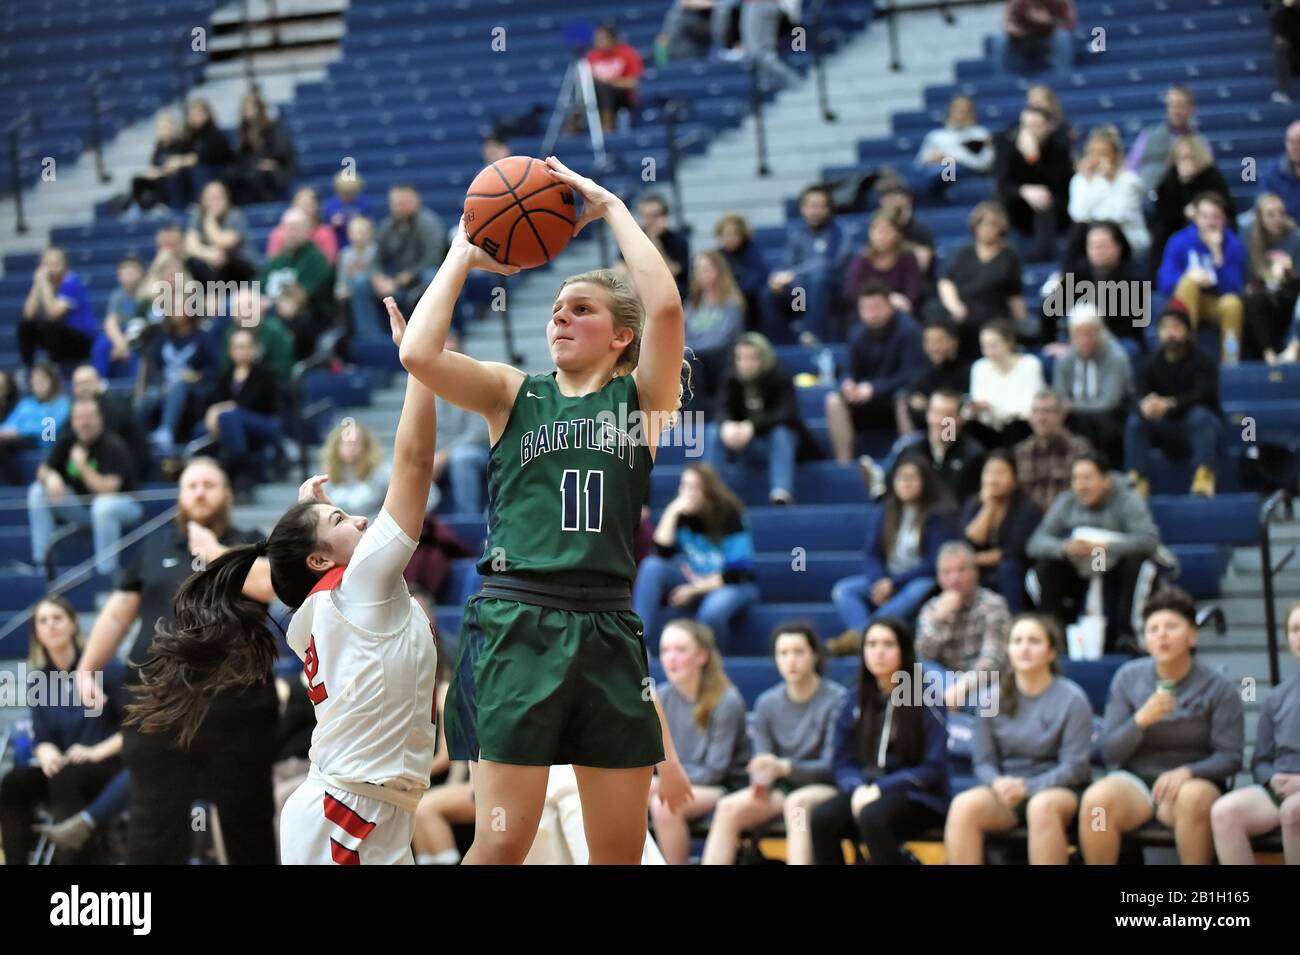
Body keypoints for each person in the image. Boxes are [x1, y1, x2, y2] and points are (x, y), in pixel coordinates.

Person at [397, 156, 695, 863]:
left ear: (621, 337)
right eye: (556, 308)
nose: (561, 316)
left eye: (581, 309)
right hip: (517, 621)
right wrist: (463, 253)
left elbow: (666, 308)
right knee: (502, 848)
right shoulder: (512, 393)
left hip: (609, 623)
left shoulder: (641, 403)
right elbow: (418, 350)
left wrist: (611, 207)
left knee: (618, 855)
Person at [122, 295, 440, 864]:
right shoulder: (361, 585)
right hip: (346, 814)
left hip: (367, 808)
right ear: (322, 561)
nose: (363, 518)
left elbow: (305, 558)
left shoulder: (319, 601)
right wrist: (417, 363)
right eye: (343, 518)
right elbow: (414, 463)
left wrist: (309, 516)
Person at [72, 459, 276, 864]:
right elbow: (117, 614)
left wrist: (217, 554)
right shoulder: (155, 547)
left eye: (209, 485)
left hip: (237, 709)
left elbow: (269, 586)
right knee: (153, 827)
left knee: (248, 825)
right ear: (180, 497)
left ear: (228, 495)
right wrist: (86, 667)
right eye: (191, 486)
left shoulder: (252, 543)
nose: (199, 492)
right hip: (158, 709)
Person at [1080, 588, 1244, 865]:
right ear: (1145, 639)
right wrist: (1140, 720)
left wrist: (1189, 771)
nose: (1162, 634)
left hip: (1192, 782)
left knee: (1194, 799)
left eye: (1171, 626)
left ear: (1192, 636)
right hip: (1135, 783)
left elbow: (1231, 757)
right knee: (1096, 803)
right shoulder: (1128, 677)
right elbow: (1107, 752)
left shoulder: (1218, 686)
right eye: (1153, 629)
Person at [943, 614, 1093, 864]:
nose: (1024, 647)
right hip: (1007, 791)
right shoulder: (990, 698)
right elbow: (983, 762)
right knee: (963, 805)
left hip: (1059, 789)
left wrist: (1028, 787)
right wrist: (998, 783)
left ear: (1051, 652)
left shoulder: (1072, 698)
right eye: (1017, 640)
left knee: (1041, 807)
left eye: (1034, 641)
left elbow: (1075, 767)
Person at [700, 622, 847, 865]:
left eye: (798, 652)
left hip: (825, 785)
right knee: (727, 807)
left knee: (796, 807)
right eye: (783, 653)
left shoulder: (836, 699)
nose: (791, 661)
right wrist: (761, 776)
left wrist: (783, 767)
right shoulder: (767, 703)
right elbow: (763, 758)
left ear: (815, 655)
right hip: (782, 786)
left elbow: (831, 765)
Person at [0, 597, 127, 865]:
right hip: (68, 771)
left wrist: (94, 752)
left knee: (65, 776)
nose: (51, 625)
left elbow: (136, 729)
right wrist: (48, 755)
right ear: (37, 634)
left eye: (57, 618)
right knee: (14, 781)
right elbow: (43, 737)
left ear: (73, 625)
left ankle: (80, 863)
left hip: (109, 766)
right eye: (43, 621)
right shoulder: (41, 681)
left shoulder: (104, 667)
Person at [811, 618, 949, 864]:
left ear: (903, 651)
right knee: (822, 818)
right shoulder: (852, 700)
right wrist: (857, 788)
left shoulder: (927, 700)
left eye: (888, 644)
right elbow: (842, 761)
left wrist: (880, 789)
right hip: (865, 791)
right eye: (872, 644)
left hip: (918, 797)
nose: (879, 652)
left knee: (872, 817)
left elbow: (933, 768)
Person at [1026, 452, 1160, 651]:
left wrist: (1105, 546)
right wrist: (1064, 548)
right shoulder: (1066, 500)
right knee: (1044, 568)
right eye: (1076, 479)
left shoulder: (1127, 497)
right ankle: (1053, 638)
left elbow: (1149, 540)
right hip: (1082, 565)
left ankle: (1128, 636)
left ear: (1106, 480)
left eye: (1087, 478)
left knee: (1136, 563)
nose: (1081, 485)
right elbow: (1035, 543)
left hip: (1114, 562)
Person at [829, 455, 955, 652]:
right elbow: (871, 553)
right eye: (901, 478)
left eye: (912, 478)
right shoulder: (885, 510)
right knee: (844, 590)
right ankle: (865, 638)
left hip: (917, 578)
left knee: (918, 589)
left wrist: (894, 583)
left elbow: (934, 562)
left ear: (924, 480)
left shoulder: (938, 514)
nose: (906, 483)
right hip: (888, 577)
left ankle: (863, 637)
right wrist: (879, 581)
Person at [650, 620, 750, 864]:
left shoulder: (726, 700)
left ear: (702, 655)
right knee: (628, 795)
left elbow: (716, 771)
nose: (671, 658)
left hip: (726, 788)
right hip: (681, 782)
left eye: (680, 650)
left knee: (666, 803)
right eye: (665, 650)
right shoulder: (660, 696)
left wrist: (663, 780)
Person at [1210, 601, 1300, 864]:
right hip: (1283, 789)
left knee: (1294, 812)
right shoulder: (1278, 696)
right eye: (1295, 629)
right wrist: (1273, 779)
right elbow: (1260, 760)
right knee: (1224, 812)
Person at [634, 464, 759, 651]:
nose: (688, 493)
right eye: (684, 486)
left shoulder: (730, 514)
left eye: (694, 487)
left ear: (709, 491)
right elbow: (660, 553)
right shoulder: (682, 515)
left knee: (711, 613)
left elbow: (737, 572)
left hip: (732, 585)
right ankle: (637, 643)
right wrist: (672, 511)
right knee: (652, 566)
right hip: (694, 577)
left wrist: (693, 590)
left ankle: (712, 665)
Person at [28, 398, 142, 577]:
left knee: (103, 506)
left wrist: (82, 467)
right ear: (72, 421)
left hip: (124, 507)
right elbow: (43, 469)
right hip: (84, 510)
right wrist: (50, 476)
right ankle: (42, 564)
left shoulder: (113, 444)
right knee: (38, 491)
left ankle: (106, 574)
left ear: (100, 419)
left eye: (89, 417)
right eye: (79, 418)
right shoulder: (68, 442)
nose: (84, 423)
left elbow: (109, 490)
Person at [706, 332, 824, 505]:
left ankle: (781, 493)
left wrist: (752, 427)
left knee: (782, 432)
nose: (745, 364)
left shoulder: (780, 374)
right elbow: (721, 408)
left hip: (778, 446)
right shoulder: (731, 377)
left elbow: (788, 413)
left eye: (752, 358)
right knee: (714, 431)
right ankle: (710, 493)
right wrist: (727, 425)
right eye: (741, 358)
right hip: (744, 446)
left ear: (764, 358)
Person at [1125, 307, 1223, 498]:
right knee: (1136, 421)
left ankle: (1204, 475)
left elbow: (1204, 395)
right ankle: (1137, 479)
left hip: (1200, 426)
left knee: (1200, 416)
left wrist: (1170, 404)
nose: (1170, 333)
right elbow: (1135, 396)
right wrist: (1145, 405)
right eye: (1165, 328)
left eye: (1176, 327)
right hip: (1164, 426)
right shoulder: (1148, 363)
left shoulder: (1204, 361)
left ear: (1187, 331)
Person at [825, 282, 925, 463]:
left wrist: (874, 388)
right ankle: (844, 465)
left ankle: (912, 463)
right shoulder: (856, 332)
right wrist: (848, 383)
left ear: (890, 306)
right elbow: (848, 369)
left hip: (895, 398)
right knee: (833, 401)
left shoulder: (910, 331)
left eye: (877, 307)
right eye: (866, 308)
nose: (872, 314)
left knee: (905, 399)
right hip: (866, 400)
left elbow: (911, 375)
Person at [914, 540, 1012, 709]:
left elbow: (993, 660)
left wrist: (961, 688)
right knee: (917, 666)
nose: (955, 578)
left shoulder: (993, 605)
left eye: (962, 570)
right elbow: (922, 655)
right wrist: (939, 619)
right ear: (939, 577)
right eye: (947, 572)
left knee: (989, 697)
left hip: (982, 685)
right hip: (944, 683)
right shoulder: (931, 608)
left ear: (975, 572)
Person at [353, 185, 449, 341]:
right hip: (396, 283)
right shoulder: (387, 226)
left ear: (416, 202)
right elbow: (376, 260)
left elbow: (433, 258)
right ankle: (371, 338)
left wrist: (406, 277)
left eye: (403, 203)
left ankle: (431, 337)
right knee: (360, 282)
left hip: (420, 280)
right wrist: (377, 277)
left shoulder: (429, 223)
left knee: (431, 277)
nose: (399, 207)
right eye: (395, 203)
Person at [1157, 192, 1246, 361]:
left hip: (1215, 302)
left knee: (1232, 304)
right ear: (1196, 218)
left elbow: (1234, 288)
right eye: (1205, 216)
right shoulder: (1179, 241)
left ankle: (1231, 358)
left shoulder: (1233, 244)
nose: (1210, 222)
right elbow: (1164, 282)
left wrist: (1218, 254)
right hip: (1183, 303)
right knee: (1189, 283)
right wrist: (1189, 276)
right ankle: (1188, 353)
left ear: (1224, 220)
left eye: (1216, 217)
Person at [935, 201, 1026, 360]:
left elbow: (1014, 294)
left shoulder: (1010, 256)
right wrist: (954, 305)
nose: (987, 229)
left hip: (994, 314)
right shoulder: (963, 252)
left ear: (1001, 227)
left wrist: (1022, 321)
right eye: (982, 224)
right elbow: (946, 281)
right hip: (962, 313)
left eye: (992, 224)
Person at [765, 185, 854, 345]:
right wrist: (777, 278)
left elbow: (831, 263)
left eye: (820, 206)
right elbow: (786, 265)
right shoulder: (797, 235)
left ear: (828, 209)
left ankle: (813, 336)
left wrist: (794, 275)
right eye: (811, 206)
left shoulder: (839, 232)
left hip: (832, 288)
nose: (816, 211)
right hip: (800, 292)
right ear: (803, 209)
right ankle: (779, 345)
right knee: (770, 292)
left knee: (817, 279)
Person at [195, 328, 282, 488]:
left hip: (263, 422)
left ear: (254, 349)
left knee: (227, 417)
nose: (241, 351)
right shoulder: (225, 375)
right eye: (237, 347)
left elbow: (255, 402)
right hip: (232, 425)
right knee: (201, 429)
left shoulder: (265, 373)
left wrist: (219, 409)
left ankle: (238, 468)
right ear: (230, 350)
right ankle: (221, 470)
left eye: (245, 346)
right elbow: (216, 399)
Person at [869, 389, 987, 502]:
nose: (942, 421)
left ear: (959, 418)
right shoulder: (910, 450)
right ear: (928, 415)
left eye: (948, 415)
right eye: (937, 413)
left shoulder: (973, 455)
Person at [961, 450, 1042, 613]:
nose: (993, 479)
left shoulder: (1027, 508)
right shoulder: (975, 503)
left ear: (1015, 479)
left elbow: (1015, 551)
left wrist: (975, 559)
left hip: (1018, 567)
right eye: (989, 472)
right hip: (981, 566)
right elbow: (970, 540)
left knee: (1008, 567)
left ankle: (1014, 619)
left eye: (1000, 472)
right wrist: (988, 507)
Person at [1052, 304, 1133, 466]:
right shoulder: (1065, 359)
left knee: (1097, 422)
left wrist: (1071, 407)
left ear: (1099, 332)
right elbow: (1059, 397)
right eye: (1077, 335)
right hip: (1077, 417)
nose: (1083, 341)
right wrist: (1066, 408)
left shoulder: (1116, 357)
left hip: (1111, 416)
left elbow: (1109, 403)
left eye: (1088, 334)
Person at [1051, 221, 1148, 350]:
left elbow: (1132, 327)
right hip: (1082, 343)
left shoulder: (1133, 277)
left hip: (1121, 341)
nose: (1098, 251)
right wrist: (1051, 342)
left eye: (1103, 246)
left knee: (1129, 349)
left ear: (1118, 247)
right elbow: (1049, 310)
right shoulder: (1078, 275)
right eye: (1093, 246)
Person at [994, 106, 1073, 261]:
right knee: (997, 204)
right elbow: (1003, 184)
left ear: (1048, 127)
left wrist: (1033, 158)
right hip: (1019, 206)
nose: (1030, 131)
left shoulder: (1060, 147)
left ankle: (1042, 255)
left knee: (1043, 200)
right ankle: (1000, 256)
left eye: (1036, 126)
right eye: (1025, 126)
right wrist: (1023, 190)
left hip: (1055, 207)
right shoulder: (1008, 146)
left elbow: (1059, 182)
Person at [1149, 134, 1236, 273]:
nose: (1186, 162)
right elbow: (1162, 212)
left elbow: (1227, 208)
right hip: (1176, 229)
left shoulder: (1212, 176)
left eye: (1190, 157)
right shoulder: (1170, 179)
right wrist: (1183, 183)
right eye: (1181, 157)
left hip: (1211, 226)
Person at [141, 309, 219, 456]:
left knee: (179, 383)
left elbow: (215, 368)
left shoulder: (203, 336)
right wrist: (161, 383)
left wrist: (197, 375)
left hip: (193, 388)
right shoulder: (161, 336)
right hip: (164, 386)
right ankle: (139, 438)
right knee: (147, 397)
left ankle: (166, 432)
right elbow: (153, 367)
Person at [1067, 126, 1149, 260]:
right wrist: (1089, 183)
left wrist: (1108, 181)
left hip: (1127, 239)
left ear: (1115, 155)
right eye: (1095, 153)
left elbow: (1118, 215)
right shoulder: (1080, 181)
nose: (1099, 159)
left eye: (1104, 153)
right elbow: (1079, 215)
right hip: (1093, 239)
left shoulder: (1129, 180)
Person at [966, 319, 1045, 449]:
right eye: (984, 346)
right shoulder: (979, 367)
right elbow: (978, 402)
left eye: (994, 345)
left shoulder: (1030, 364)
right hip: (990, 429)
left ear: (1009, 342)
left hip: (1021, 428)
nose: (989, 352)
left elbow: (1029, 407)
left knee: (1013, 427)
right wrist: (978, 408)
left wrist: (993, 408)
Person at [1013, 390, 1093, 514]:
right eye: (1035, 412)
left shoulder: (1080, 449)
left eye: (1047, 411)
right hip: (1029, 524)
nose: (1040, 418)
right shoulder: (1020, 452)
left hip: (1067, 521)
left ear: (1062, 414)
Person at [19, 247, 99, 371]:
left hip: (82, 339)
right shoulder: (45, 282)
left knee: (51, 326)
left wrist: (43, 283)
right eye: (46, 264)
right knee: (25, 326)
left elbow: (54, 313)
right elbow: (28, 314)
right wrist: (37, 284)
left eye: (55, 263)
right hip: (60, 336)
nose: (51, 267)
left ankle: (55, 368)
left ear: (65, 265)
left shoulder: (71, 282)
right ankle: (28, 369)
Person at [1243, 193, 1300, 363]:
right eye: (1271, 214)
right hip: (1265, 296)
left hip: (1290, 293)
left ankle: (1293, 346)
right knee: (1254, 300)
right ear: (1260, 218)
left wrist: (1290, 272)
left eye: (1281, 213)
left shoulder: (1296, 237)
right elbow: (1248, 277)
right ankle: (1268, 354)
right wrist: (1266, 277)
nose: (1278, 218)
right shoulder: (1250, 240)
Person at [68, 364, 147, 485]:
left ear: (99, 383)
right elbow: (60, 443)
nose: (83, 388)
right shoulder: (73, 410)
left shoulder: (117, 407)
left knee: (103, 504)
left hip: (123, 479)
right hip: (90, 480)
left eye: (87, 382)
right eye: (79, 384)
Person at [907, 94, 994, 201]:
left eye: (965, 110)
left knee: (946, 168)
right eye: (957, 109)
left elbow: (986, 163)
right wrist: (930, 159)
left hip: (963, 170)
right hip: (935, 169)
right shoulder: (936, 136)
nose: (960, 114)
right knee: (916, 174)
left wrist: (951, 157)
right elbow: (918, 164)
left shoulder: (980, 134)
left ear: (972, 113)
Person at [684, 249, 746, 395]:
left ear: (719, 270)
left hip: (722, 357)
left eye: (706, 268)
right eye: (697, 269)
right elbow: (681, 333)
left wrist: (690, 350)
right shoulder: (692, 302)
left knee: (689, 362)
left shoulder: (731, 301)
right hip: (697, 358)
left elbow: (721, 339)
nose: (701, 274)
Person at [841, 213, 924, 318]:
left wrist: (901, 304)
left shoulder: (908, 257)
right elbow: (853, 291)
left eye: (886, 231)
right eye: (876, 231)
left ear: (897, 234)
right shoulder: (862, 259)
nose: (881, 236)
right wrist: (885, 300)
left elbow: (914, 290)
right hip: (868, 312)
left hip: (901, 310)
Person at [258, 207, 335, 321]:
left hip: (307, 319)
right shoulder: (278, 260)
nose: (291, 233)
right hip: (270, 315)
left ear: (307, 231)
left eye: (296, 228)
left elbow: (301, 298)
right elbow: (256, 285)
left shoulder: (316, 260)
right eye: (288, 228)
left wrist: (272, 303)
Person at [0, 362, 69, 486]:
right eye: (35, 383)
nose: (38, 386)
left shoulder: (61, 403)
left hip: (46, 442)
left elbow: (49, 430)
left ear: (52, 381)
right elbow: (9, 424)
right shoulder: (26, 404)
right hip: (21, 441)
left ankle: (13, 486)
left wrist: (19, 431)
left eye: (42, 381)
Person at [898, 318, 970, 436]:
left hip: (959, 437)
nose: (934, 347)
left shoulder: (968, 371)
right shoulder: (923, 374)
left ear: (954, 341)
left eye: (939, 341)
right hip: (927, 436)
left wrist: (929, 407)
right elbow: (914, 407)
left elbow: (960, 411)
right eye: (929, 342)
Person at [184, 180, 256, 291]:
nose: (213, 202)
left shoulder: (235, 216)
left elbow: (221, 242)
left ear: (226, 199)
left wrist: (210, 219)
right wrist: (209, 253)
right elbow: (190, 246)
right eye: (209, 198)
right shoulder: (198, 216)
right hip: (212, 266)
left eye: (217, 198)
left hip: (239, 270)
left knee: (228, 262)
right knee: (192, 262)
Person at [1126, 85, 1200, 193]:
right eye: (1172, 105)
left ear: (1191, 109)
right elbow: (1130, 170)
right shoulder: (1149, 135)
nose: (1176, 111)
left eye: (1181, 105)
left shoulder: (1199, 142)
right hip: (1148, 198)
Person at [227, 91, 295, 205]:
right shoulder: (242, 132)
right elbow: (239, 158)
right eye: (245, 109)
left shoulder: (273, 128)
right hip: (250, 169)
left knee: (262, 176)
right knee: (232, 176)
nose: (248, 112)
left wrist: (270, 162)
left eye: (251, 108)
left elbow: (282, 153)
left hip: (274, 169)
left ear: (260, 109)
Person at [94, 255, 146, 380]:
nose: (129, 274)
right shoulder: (117, 296)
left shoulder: (148, 294)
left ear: (142, 273)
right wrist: (119, 343)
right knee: (102, 344)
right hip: (122, 336)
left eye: (133, 271)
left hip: (142, 334)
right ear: (119, 275)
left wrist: (126, 343)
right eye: (125, 271)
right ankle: (100, 383)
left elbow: (146, 322)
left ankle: (137, 386)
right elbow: (110, 321)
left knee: (140, 346)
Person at [584, 23, 645, 132]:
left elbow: (633, 83)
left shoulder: (627, 53)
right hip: (597, 97)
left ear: (613, 39)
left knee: (605, 89)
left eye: (602, 38)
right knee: (579, 98)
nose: (598, 41)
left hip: (623, 97)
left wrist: (608, 82)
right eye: (596, 38)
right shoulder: (591, 56)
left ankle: (607, 129)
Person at [175, 98, 234, 208]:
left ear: (207, 114)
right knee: (176, 173)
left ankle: (202, 205)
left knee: (199, 170)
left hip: (218, 171)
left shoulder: (215, 133)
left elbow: (203, 157)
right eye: (192, 114)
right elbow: (181, 154)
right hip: (197, 172)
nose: (194, 117)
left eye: (198, 114)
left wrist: (182, 161)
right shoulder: (187, 137)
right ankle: (177, 207)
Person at [714, 213, 768, 331]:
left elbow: (759, 276)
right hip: (723, 298)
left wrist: (736, 290)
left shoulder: (751, 251)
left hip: (749, 299)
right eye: (726, 234)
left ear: (742, 235)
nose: (730, 238)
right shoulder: (718, 256)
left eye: (734, 234)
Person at [994, 0, 1076, 76]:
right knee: (1000, 41)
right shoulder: (1016, 2)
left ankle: (1061, 75)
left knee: (1062, 36)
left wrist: (1048, 21)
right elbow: (1006, 24)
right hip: (1022, 39)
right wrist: (1016, 30)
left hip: (1049, 37)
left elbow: (1069, 24)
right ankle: (1006, 80)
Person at [130, 112, 192, 212]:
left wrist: (159, 172)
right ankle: (136, 211)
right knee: (137, 181)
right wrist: (150, 172)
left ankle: (173, 210)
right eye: (161, 128)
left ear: (174, 128)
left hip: (177, 182)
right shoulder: (158, 147)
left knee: (172, 181)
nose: (163, 131)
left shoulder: (181, 144)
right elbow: (153, 166)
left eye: (166, 127)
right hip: (160, 181)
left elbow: (175, 168)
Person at [875, 177, 936, 277]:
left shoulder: (921, 231)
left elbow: (920, 270)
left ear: (908, 199)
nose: (890, 200)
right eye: (885, 196)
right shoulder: (879, 230)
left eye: (895, 194)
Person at [266, 185, 340, 265]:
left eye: (309, 204)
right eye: (301, 204)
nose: (304, 208)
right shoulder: (279, 234)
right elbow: (273, 263)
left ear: (316, 207)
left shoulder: (325, 233)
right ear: (293, 206)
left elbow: (329, 261)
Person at [637, 193, 690, 300]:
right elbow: (620, 269)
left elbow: (671, 273)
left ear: (665, 216)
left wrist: (655, 244)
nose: (651, 220)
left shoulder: (678, 240)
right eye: (647, 216)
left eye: (655, 215)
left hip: (674, 298)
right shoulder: (636, 239)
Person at [322, 169, 376, 250]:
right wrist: (333, 224)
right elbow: (324, 230)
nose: (348, 196)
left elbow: (372, 226)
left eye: (351, 192)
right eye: (344, 193)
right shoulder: (330, 206)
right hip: (338, 245)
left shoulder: (365, 204)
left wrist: (361, 222)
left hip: (360, 246)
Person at [1259, 120, 1300, 222]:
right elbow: (1263, 201)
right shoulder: (1274, 170)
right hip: (1285, 229)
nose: (1295, 147)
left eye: (1299, 142)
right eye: (1291, 142)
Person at [1273, 0, 1300, 103]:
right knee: (1281, 52)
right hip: (1293, 56)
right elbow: (1280, 39)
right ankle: (1282, 92)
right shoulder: (1283, 16)